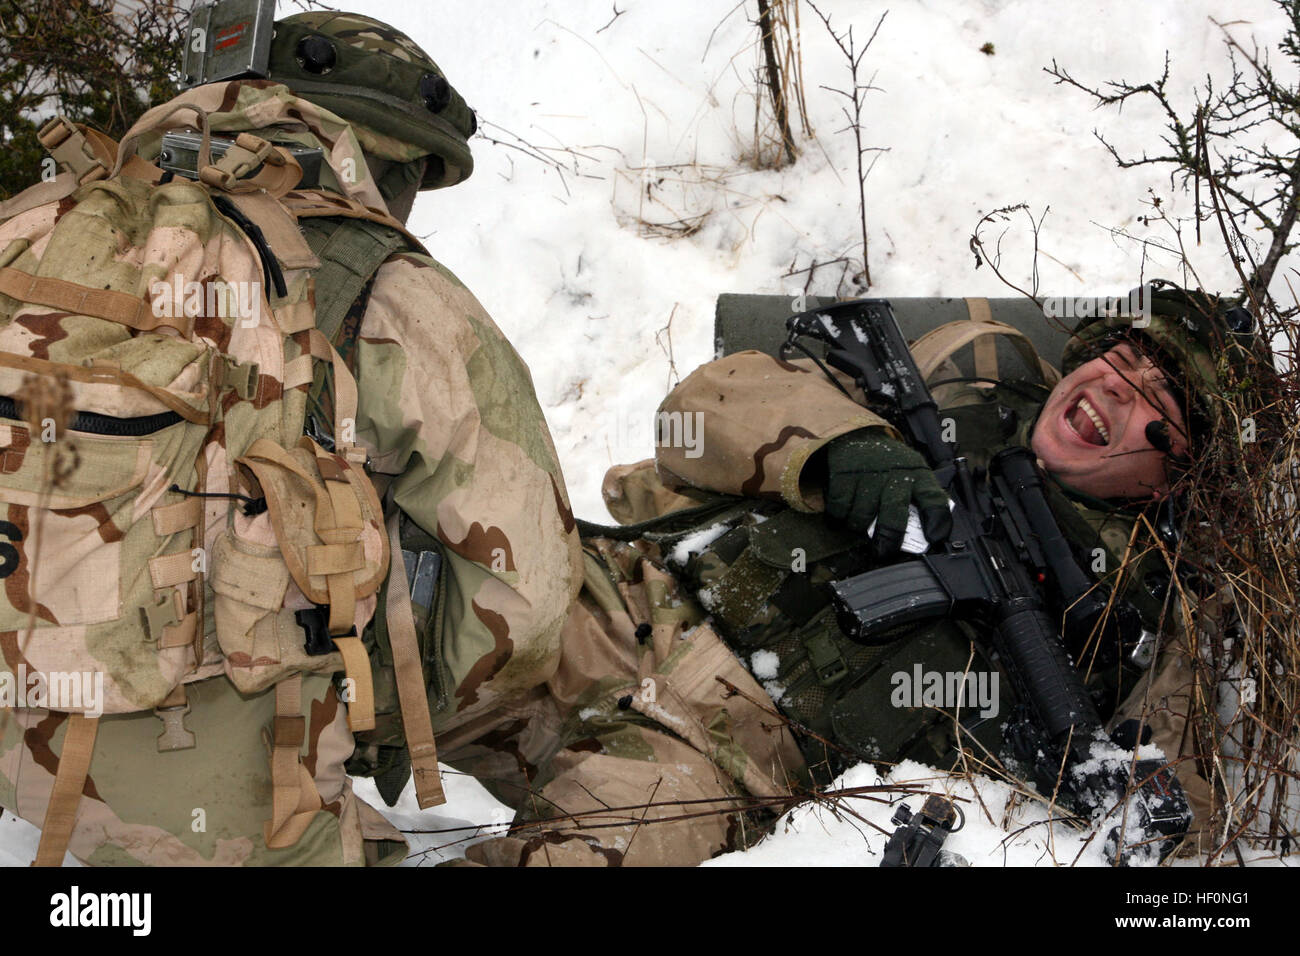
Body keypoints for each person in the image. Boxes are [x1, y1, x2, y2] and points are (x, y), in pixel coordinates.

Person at [0, 11, 580, 865]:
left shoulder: (50, 231)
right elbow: (528, 595)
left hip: (21, 763)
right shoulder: (389, 284)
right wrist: (378, 702)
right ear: (397, 162)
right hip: (233, 805)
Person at [456, 283, 1273, 865]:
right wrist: (838, 448)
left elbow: (1189, 831)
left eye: (1153, 405)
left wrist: (1146, 806)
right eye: (1119, 360)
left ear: (1175, 478)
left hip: (721, 762)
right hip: (620, 600)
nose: (1112, 390)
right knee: (352, 628)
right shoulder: (956, 385)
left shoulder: (1152, 615)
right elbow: (702, 405)